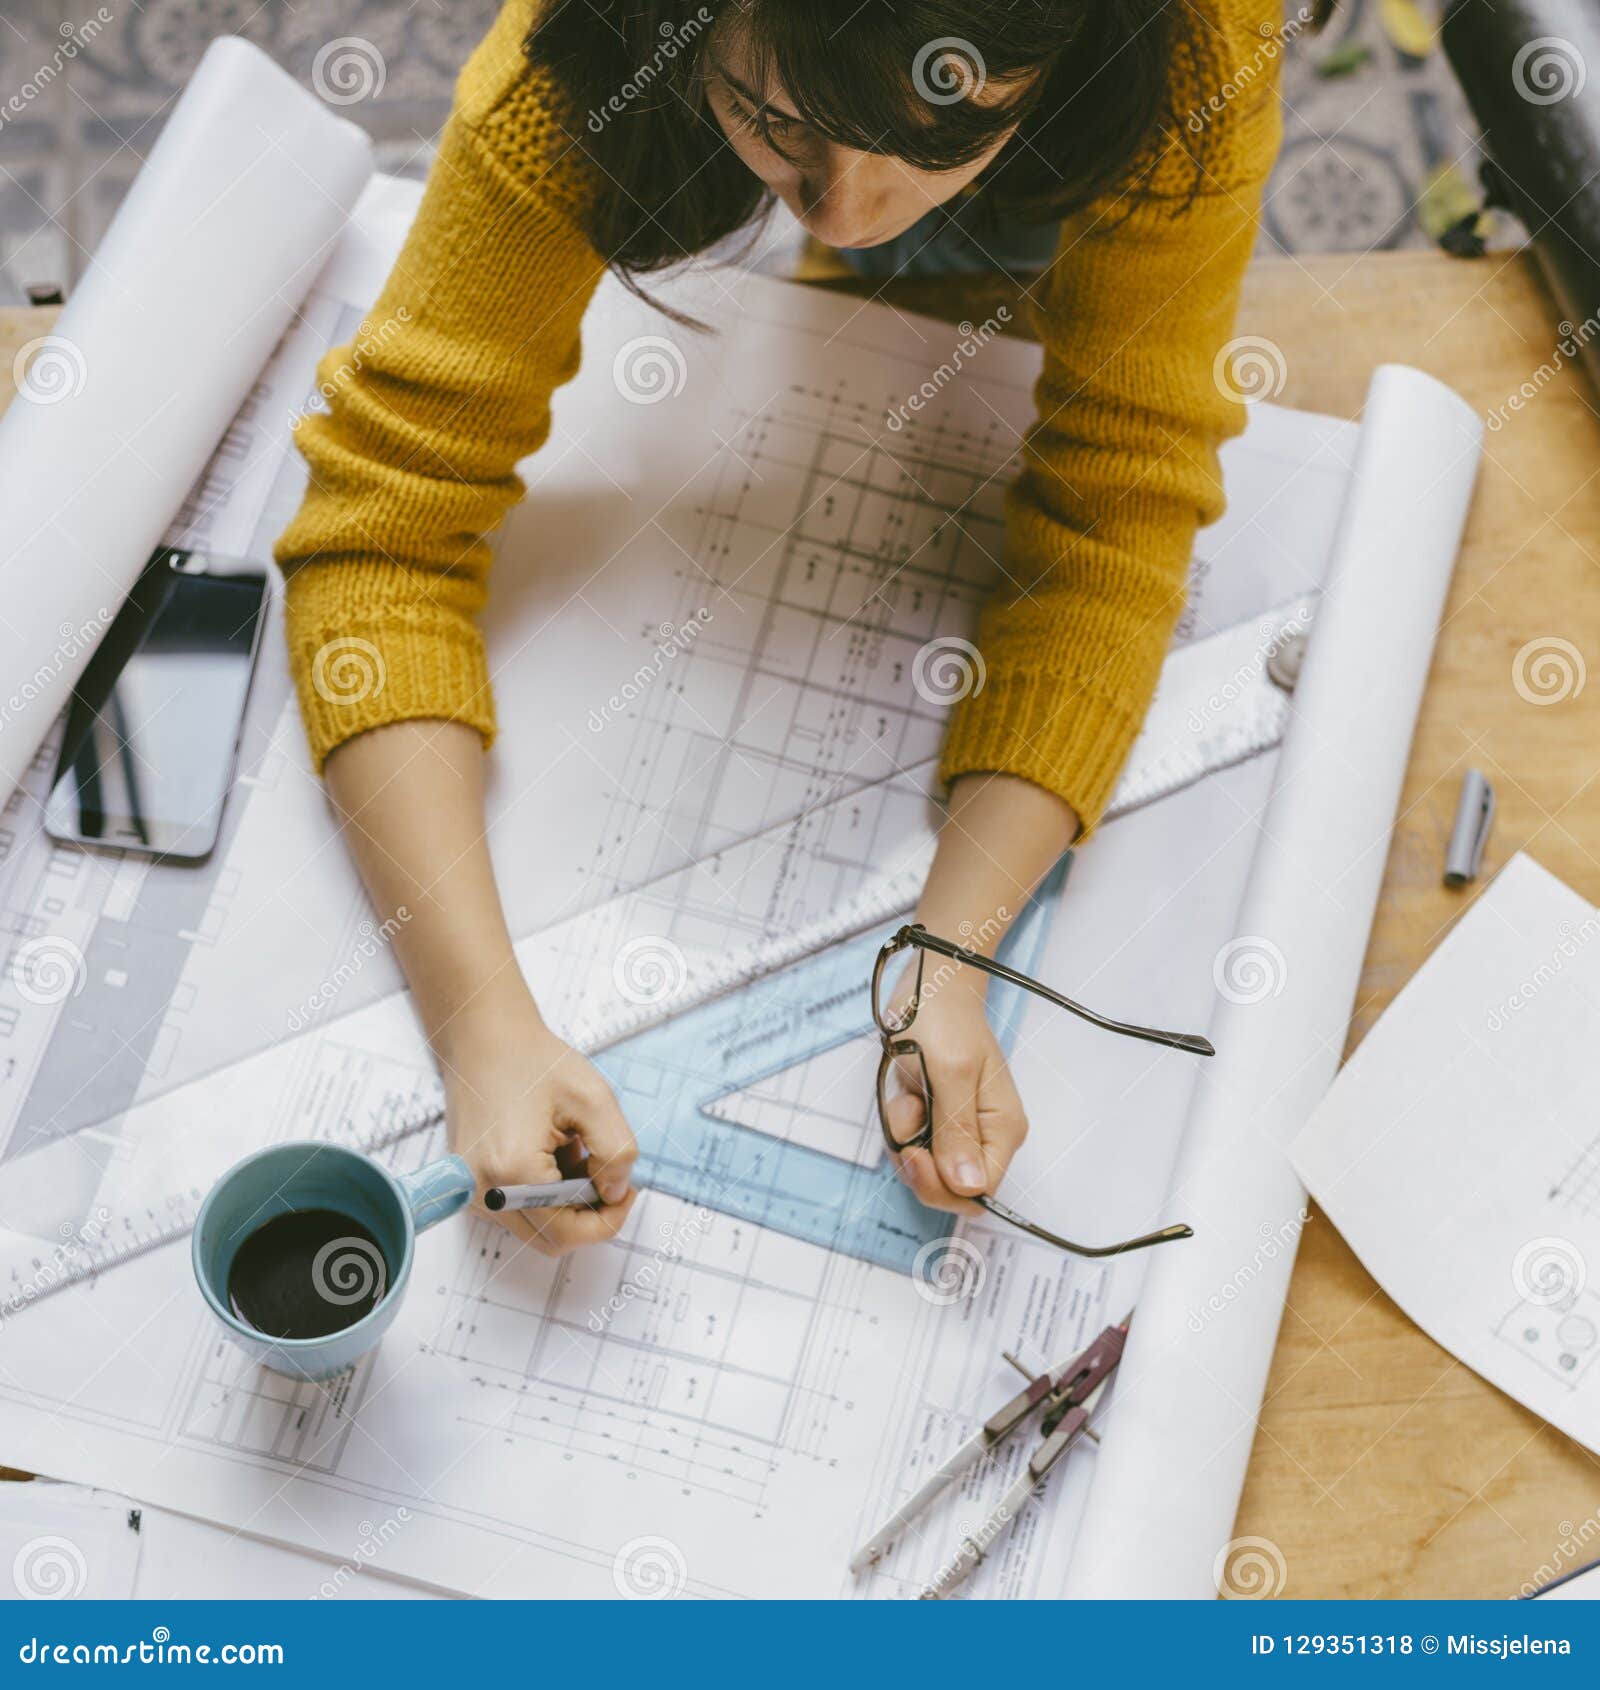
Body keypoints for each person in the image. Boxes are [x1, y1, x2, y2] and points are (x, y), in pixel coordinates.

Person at [273, 0, 1295, 1259]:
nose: (847, 210)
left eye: (943, 139)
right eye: (773, 122)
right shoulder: (569, 73)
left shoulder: (1192, 44)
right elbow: (380, 525)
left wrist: (953, 959)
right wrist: (480, 1027)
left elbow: (1119, 504)